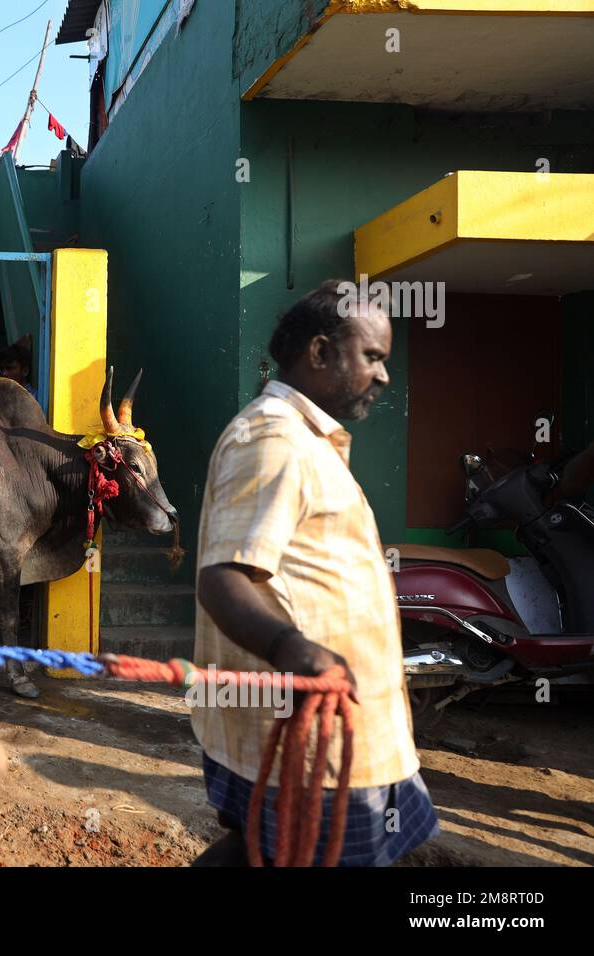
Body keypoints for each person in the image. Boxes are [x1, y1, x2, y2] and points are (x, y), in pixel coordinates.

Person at [190, 280, 438, 866]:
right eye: (372, 357)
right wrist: (295, 650)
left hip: (336, 728)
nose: (383, 376)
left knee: (257, 851)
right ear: (320, 353)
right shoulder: (273, 439)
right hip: (308, 740)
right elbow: (224, 576)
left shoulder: (303, 439)